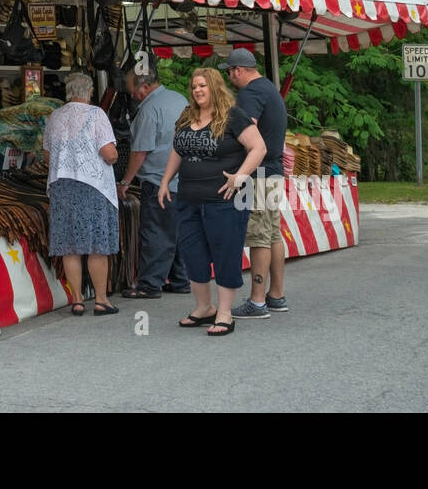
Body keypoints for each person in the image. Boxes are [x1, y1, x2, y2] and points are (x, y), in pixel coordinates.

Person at [158, 66, 266, 336]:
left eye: (203, 86)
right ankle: (204, 307)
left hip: (225, 200)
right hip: (189, 198)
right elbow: (177, 151)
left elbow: (259, 148)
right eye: (194, 86)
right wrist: (165, 181)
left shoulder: (233, 116)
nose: (197, 90)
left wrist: (241, 176)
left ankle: (225, 313)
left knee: (224, 253)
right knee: (193, 253)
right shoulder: (186, 116)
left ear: (215, 88)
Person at [42, 72, 120, 316]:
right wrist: (115, 155)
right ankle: (101, 299)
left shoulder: (54, 116)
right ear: (89, 92)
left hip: (61, 185)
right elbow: (108, 153)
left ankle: (76, 300)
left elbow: (47, 155)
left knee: (69, 245)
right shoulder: (96, 114)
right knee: (97, 244)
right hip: (92, 186)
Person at [222, 48, 290, 319]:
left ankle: (258, 301)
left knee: (259, 235)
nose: (230, 77)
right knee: (273, 233)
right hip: (274, 171)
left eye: (229, 72)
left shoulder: (250, 93)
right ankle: (276, 295)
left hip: (259, 173)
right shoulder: (269, 88)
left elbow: (245, 127)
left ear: (238, 70)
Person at [119, 69, 190, 299]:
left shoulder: (150, 109)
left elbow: (140, 151)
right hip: (184, 179)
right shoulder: (180, 99)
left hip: (159, 181)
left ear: (145, 87)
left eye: (133, 92)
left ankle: (149, 284)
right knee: (177, 232)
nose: (132, 97)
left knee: (156, 232)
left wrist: (125, 181)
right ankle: (181, 280)